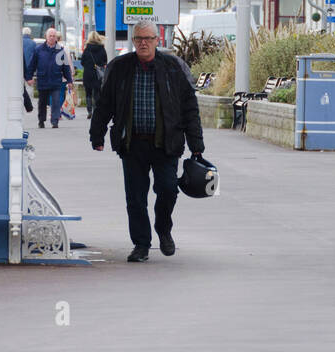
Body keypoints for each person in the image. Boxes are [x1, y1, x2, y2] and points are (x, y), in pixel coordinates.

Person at [90, 22, 205, 262]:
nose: (143, 43)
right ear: (133, 41)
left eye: (148, 38)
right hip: (132, 144)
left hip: (166, 144)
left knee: (168, 190)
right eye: (139, 38)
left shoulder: (174, 68)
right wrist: (97, 134)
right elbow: (105, 104)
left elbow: (189, 108)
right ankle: (141, 244)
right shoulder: (120, 68)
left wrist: (197, 145)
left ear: (157, 40)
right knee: (135, 197)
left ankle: (163, 229)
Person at [25, 27, 73, 128]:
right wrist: (29, 77)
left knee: (55, 102)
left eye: (53, 36)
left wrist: (69, 80)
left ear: (56, 38)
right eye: (50, 36)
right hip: (43, 79)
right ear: (46, 37)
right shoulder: (39, 50)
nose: (52, 38)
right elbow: (32, 65)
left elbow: (65, 67)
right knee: (42, 102)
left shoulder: (60, 51)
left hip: (55, 80)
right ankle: (41, 120)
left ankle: (55, 121)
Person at [80, 31, 108, 118]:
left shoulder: (87, 49)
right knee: (97, 93)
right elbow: (105, 61)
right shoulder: (102, 49)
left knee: (88, 93)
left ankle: (89, 111)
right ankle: (96, 110)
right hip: (98, 74)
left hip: (88, 74)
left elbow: (82, 62)